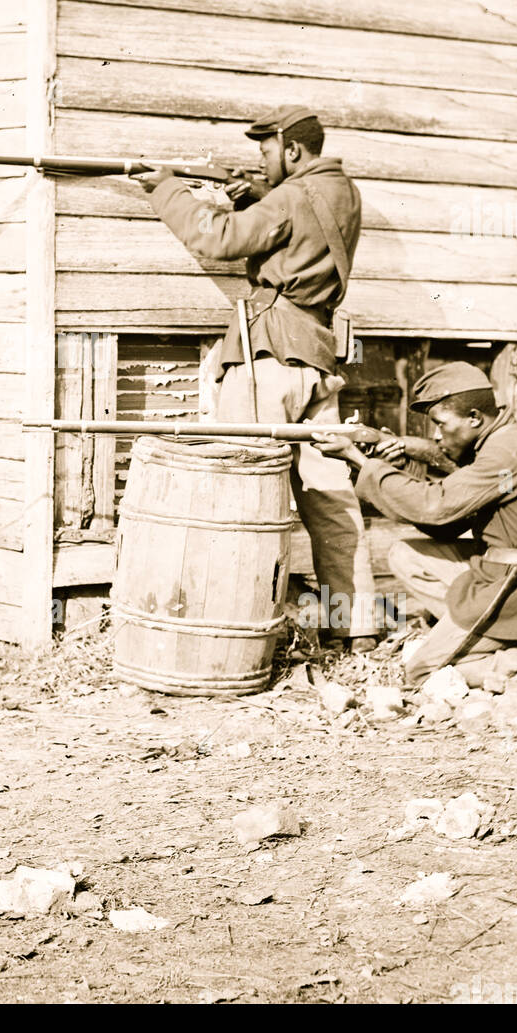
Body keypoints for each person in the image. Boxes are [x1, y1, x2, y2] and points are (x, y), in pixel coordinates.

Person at [131, 105, 380, 650]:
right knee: (331, 498)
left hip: (267, 360)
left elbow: (215, 240)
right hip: (317, 362)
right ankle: (357, 628)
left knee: (240, 494)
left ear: (293, 150)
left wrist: (168, 190)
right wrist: (257, 198)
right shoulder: (342, 191)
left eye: (267, 152)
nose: (262, 162)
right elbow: (298, 235)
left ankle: (233, 632)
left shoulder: (289, 198)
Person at [312, 361, 517, 687]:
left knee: (420, 672)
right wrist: (400, 453)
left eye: (441, 424)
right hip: (514, 574)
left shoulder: (503, 454)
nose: (435, 434)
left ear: (474, 418)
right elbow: (446, 520)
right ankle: (505, 634)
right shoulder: (501, 440)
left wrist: (359, 460)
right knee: (406, 555)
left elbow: (436, 507)